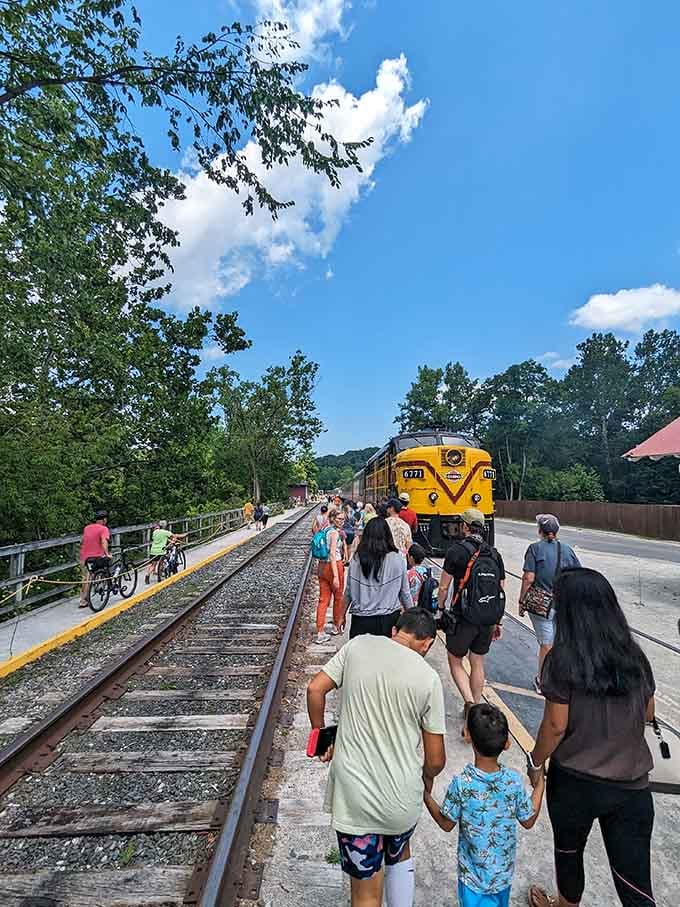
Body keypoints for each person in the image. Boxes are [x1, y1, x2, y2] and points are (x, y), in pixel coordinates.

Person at [526, 568, 656, 907]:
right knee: (634, 883)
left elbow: (555, 726)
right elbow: (648, 713)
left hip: (574, 781)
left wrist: (535, 762)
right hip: (631, 785)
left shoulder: (562, 660)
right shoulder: (635, 657)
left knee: (569, 854)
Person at [307, 608, 446, 907]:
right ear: (427, 644)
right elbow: (436, 760)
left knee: (367, 894)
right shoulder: (429, 678)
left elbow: (315, 689)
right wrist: (425, 781)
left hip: (354, 800)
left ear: (395, 631)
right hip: (401, 800)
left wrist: (321, 736)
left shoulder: (358, 646)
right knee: (399, 852)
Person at [425, 703, 544, 907]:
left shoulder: (462, 784)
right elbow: (528, 819)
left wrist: (426, 795)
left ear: (467, 736)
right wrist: (540, 785)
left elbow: (446, 823)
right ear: (507, 743)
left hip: (472, 880)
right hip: (503, 878)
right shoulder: (513, 782)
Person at [436, 508, 505, 727]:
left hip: (463, 616)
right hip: (487, 617)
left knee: (455, 660)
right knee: (477, 661)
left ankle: (471, 705)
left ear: (465, 526)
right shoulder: (494, 554)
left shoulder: (456, 551)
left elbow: (443, 587)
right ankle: (476, 708)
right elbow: (500, 589)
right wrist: (497, 620)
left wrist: (440, 609)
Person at [519, 514, 581, 692]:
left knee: (546, 644)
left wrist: (522, 601)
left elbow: (529, 578)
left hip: (541, 605)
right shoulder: (567, 550)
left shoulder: (534, 549)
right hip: (562, 603)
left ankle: (543, 681)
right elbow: (577, 575)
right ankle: (560, 678)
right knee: (559, 641)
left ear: (540, 530)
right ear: (556, 531)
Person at [343, 516, 412, 639]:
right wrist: (412, 617)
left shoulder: (357, 559)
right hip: (389, 620)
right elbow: (405, 593)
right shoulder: (398, 559)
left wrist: (341, 615)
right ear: (388, 535)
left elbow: (348, 591)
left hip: (361, 621)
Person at [315, 508, 348, 643]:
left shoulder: (324, 529)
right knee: (338, 597)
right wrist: (335, 576)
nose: (342, 521)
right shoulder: (334, 533)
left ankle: (320, 631)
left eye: (343, 519)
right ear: (333, 519)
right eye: (339, 519)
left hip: (322, 566)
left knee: (323, 600)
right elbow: (333, 554)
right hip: (334, 566)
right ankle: (336, 626)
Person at [79, 510, 111, 607]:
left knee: (85, 577)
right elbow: (104, 541)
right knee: (104, 566)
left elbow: (82, 541)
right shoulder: (104, 529)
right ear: (104, 520)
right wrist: (107, 553)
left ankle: (83, 599)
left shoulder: (87, 528)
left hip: (84, 557)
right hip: (96, 557)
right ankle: (101, 584)